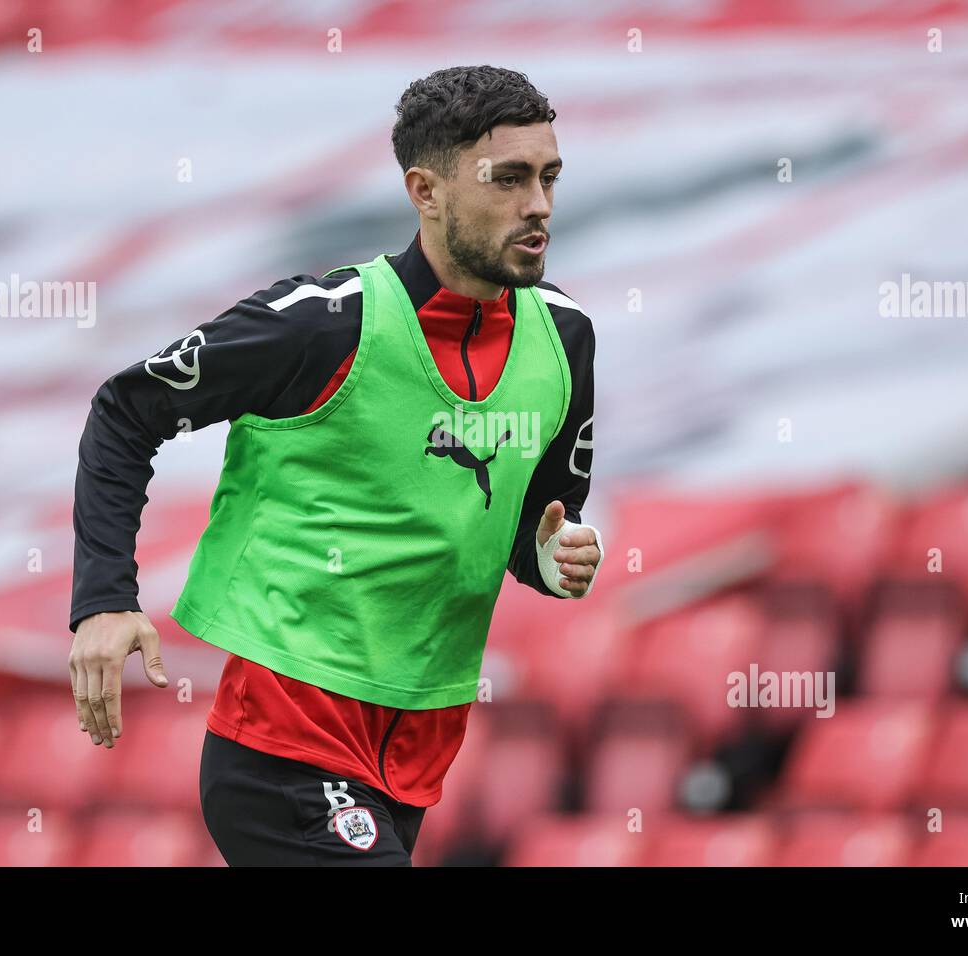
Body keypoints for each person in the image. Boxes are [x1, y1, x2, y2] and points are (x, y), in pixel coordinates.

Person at [68, 64, 603, 865]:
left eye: (550, 178)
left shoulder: (565, 339)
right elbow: (124, 411)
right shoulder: (321, 326)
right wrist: (103, 599)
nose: (539, 206)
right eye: (511, 179)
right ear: (426, 191)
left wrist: (548, 555)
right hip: (284, 742)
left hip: (417, 752)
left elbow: (534, 522)